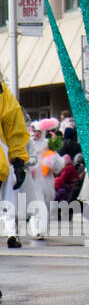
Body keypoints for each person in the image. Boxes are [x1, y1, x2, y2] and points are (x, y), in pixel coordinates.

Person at [0, 76, 30, 252]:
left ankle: (11, 233)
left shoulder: (3, 94)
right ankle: (11, 233)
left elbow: (14, 127)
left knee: (8, 199)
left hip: (2, 161)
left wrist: (18, 159)